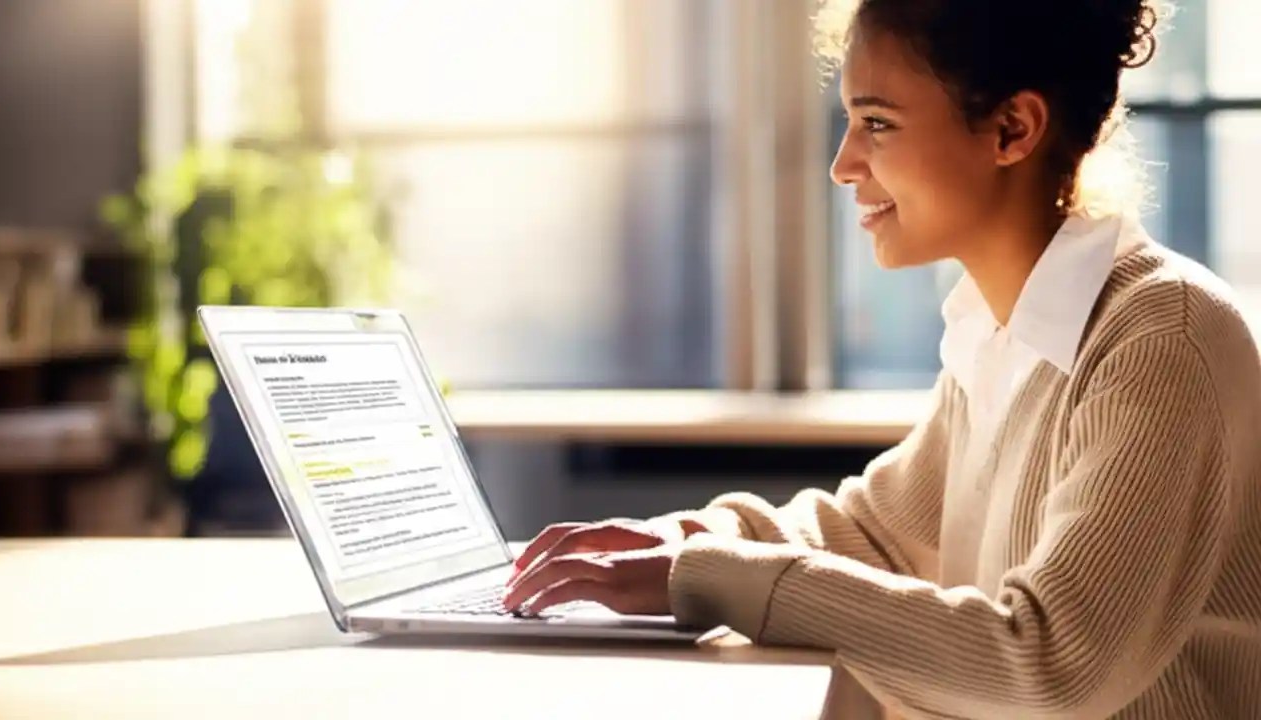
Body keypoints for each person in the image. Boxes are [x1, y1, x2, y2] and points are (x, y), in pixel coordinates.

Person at [503, 0, 1261, 717]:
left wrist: (706, 579)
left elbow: (1054, 660)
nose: (842, 165)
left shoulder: (1163, 338)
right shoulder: (1000, 328)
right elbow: (878, 534)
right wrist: (684, 540)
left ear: (1011, 129)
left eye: (877, 122)